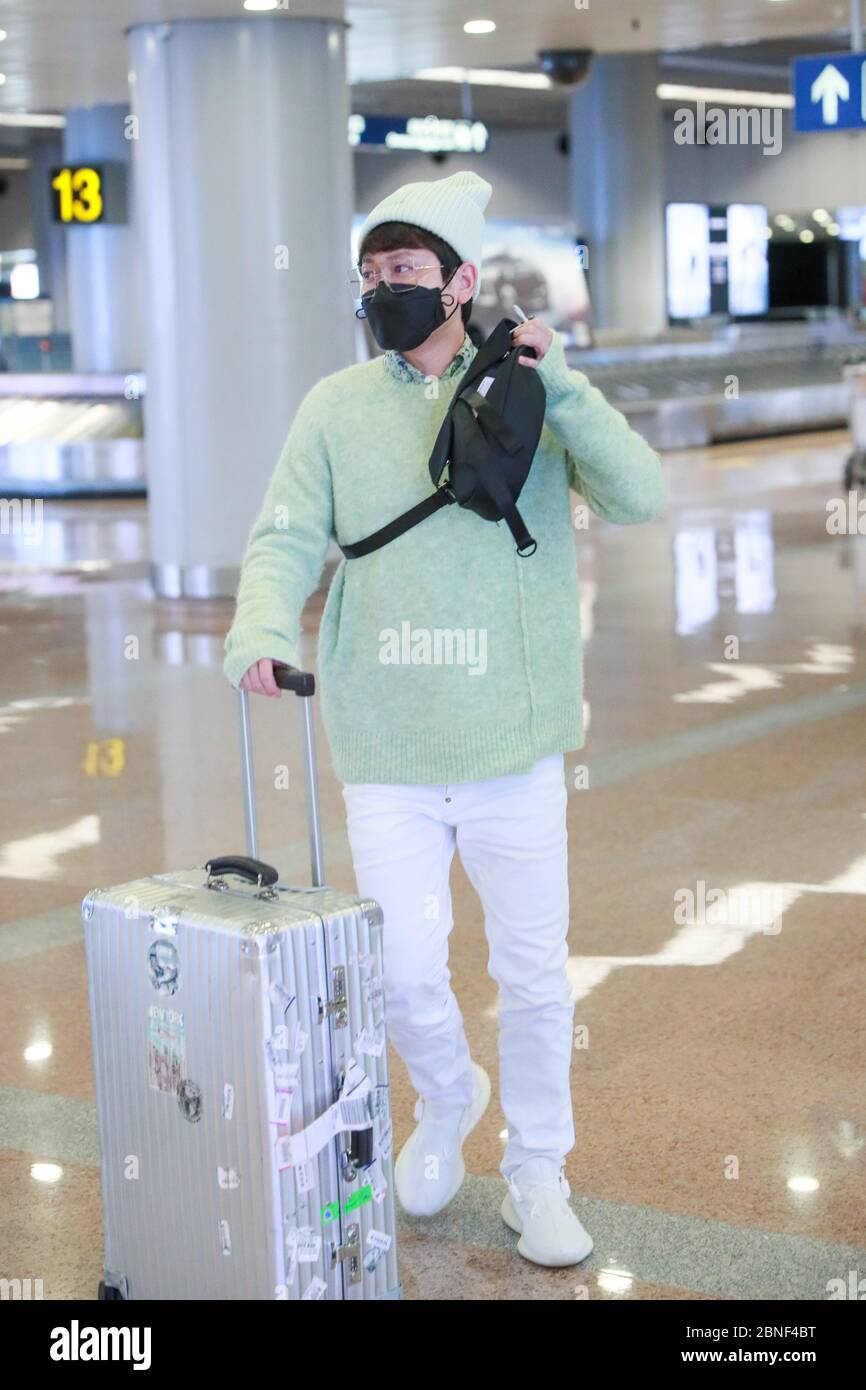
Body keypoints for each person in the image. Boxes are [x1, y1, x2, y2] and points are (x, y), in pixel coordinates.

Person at [223, 169, 666, 1268]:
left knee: (530, 969)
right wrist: (260, 630)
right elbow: (284, 534)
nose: (384, 291)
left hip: (511, 740)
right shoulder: (333, 407)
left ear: (461, 283)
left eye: (405, 273)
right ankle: (443, 1094)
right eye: (371, 275)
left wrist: (564, 387)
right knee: (407, 967)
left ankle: (536, 1168)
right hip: (387, 743)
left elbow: (640, 494)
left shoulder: (526, 391)